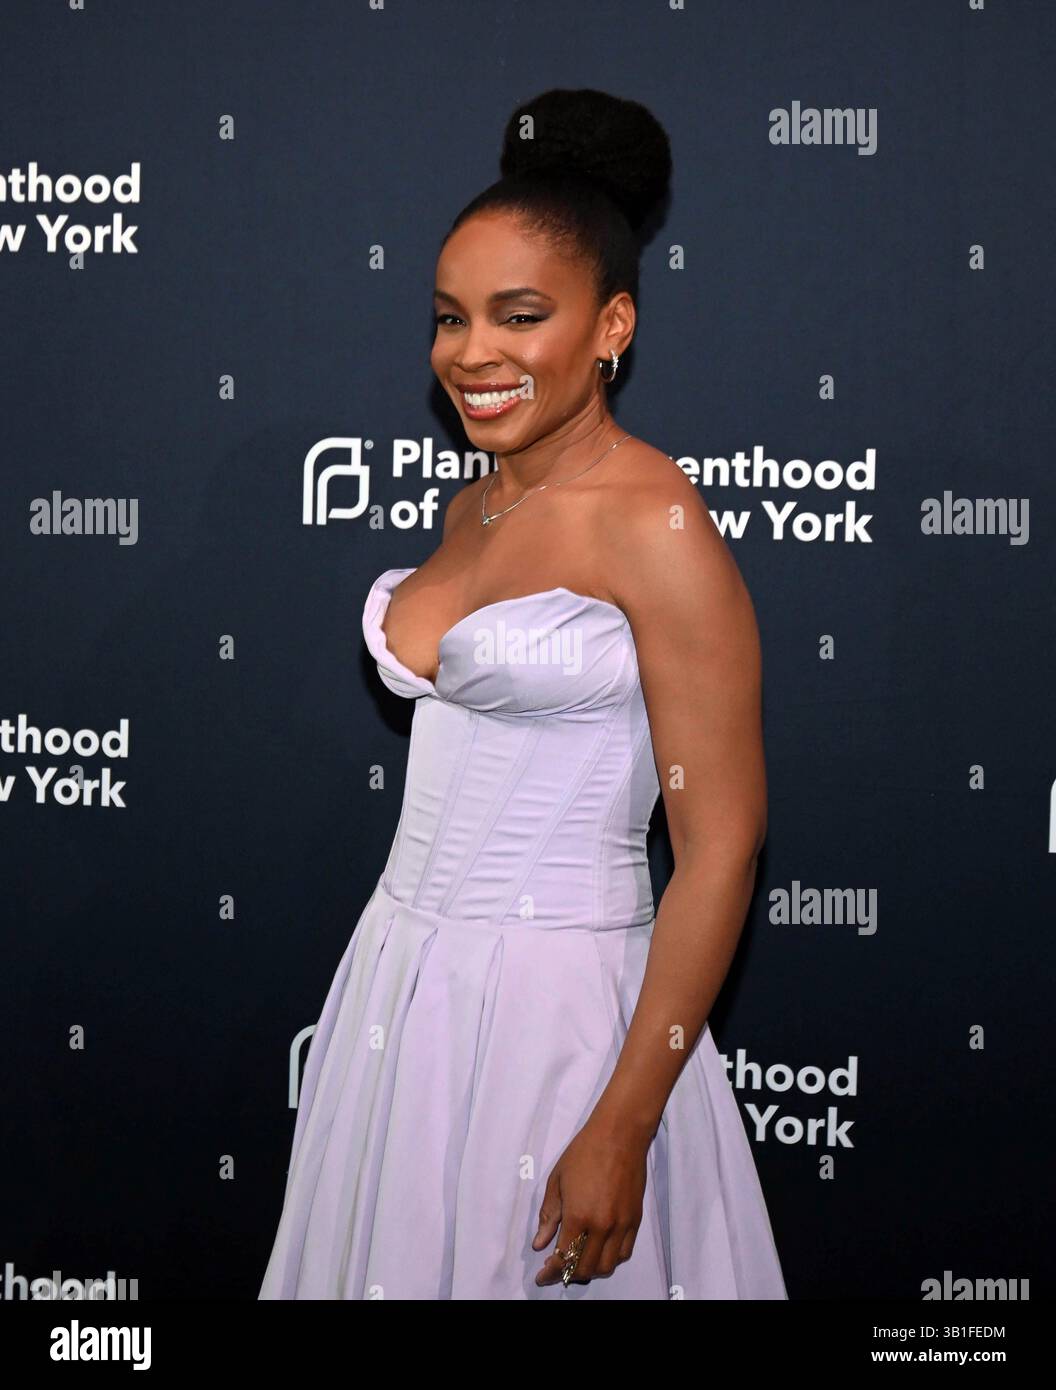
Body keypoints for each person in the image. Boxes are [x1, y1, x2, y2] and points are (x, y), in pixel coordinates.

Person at [259, 87, 787, 1300]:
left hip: (565, 1021)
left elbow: (718, 849)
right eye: (450, 317)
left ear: (612, 327)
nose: (471, 353)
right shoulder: (475, 502)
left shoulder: (658, 525)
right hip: (400, 989)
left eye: (520, 315)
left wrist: (624, 1122)